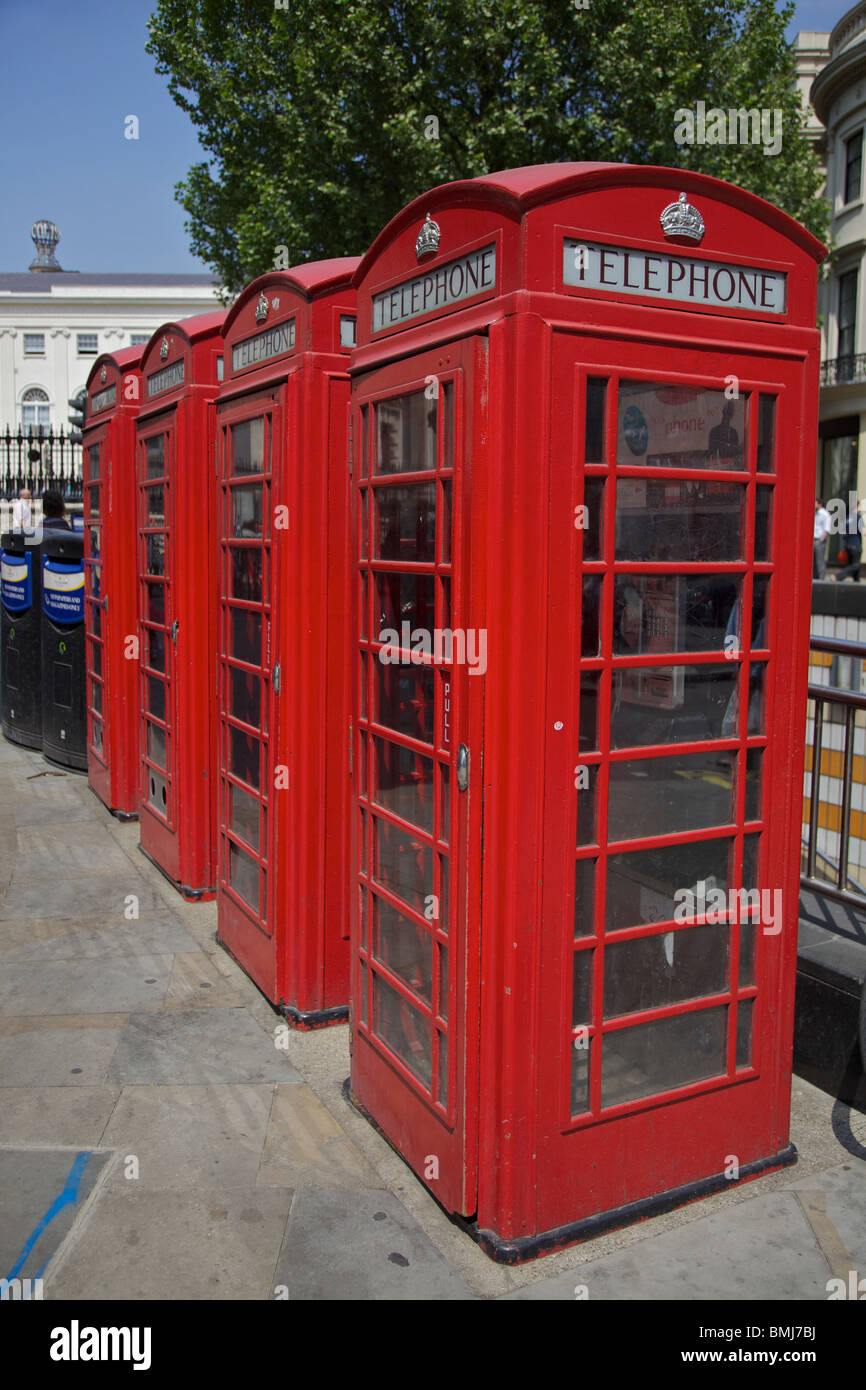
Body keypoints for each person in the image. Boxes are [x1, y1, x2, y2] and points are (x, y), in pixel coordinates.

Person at [836, 498, 864, 581]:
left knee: (853, 565)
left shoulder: (847, 518)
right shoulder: (858, 517)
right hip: (856, 544)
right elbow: (863, 531)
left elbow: (843, 533)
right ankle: (838, 576)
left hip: (848, 545)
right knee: (856, 565)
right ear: (856, 506)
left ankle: (857, 583)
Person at [814, 498, 831, 579]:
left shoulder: (824, 514)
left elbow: (827, 528)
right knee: (813, 561)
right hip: (814, 539)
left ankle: (821, 578)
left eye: (815, 503)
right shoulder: (815, 513)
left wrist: (821, 540)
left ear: (820, 504)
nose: (814, 505)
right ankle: (814, 577)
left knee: (820, 560)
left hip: (819, 540)